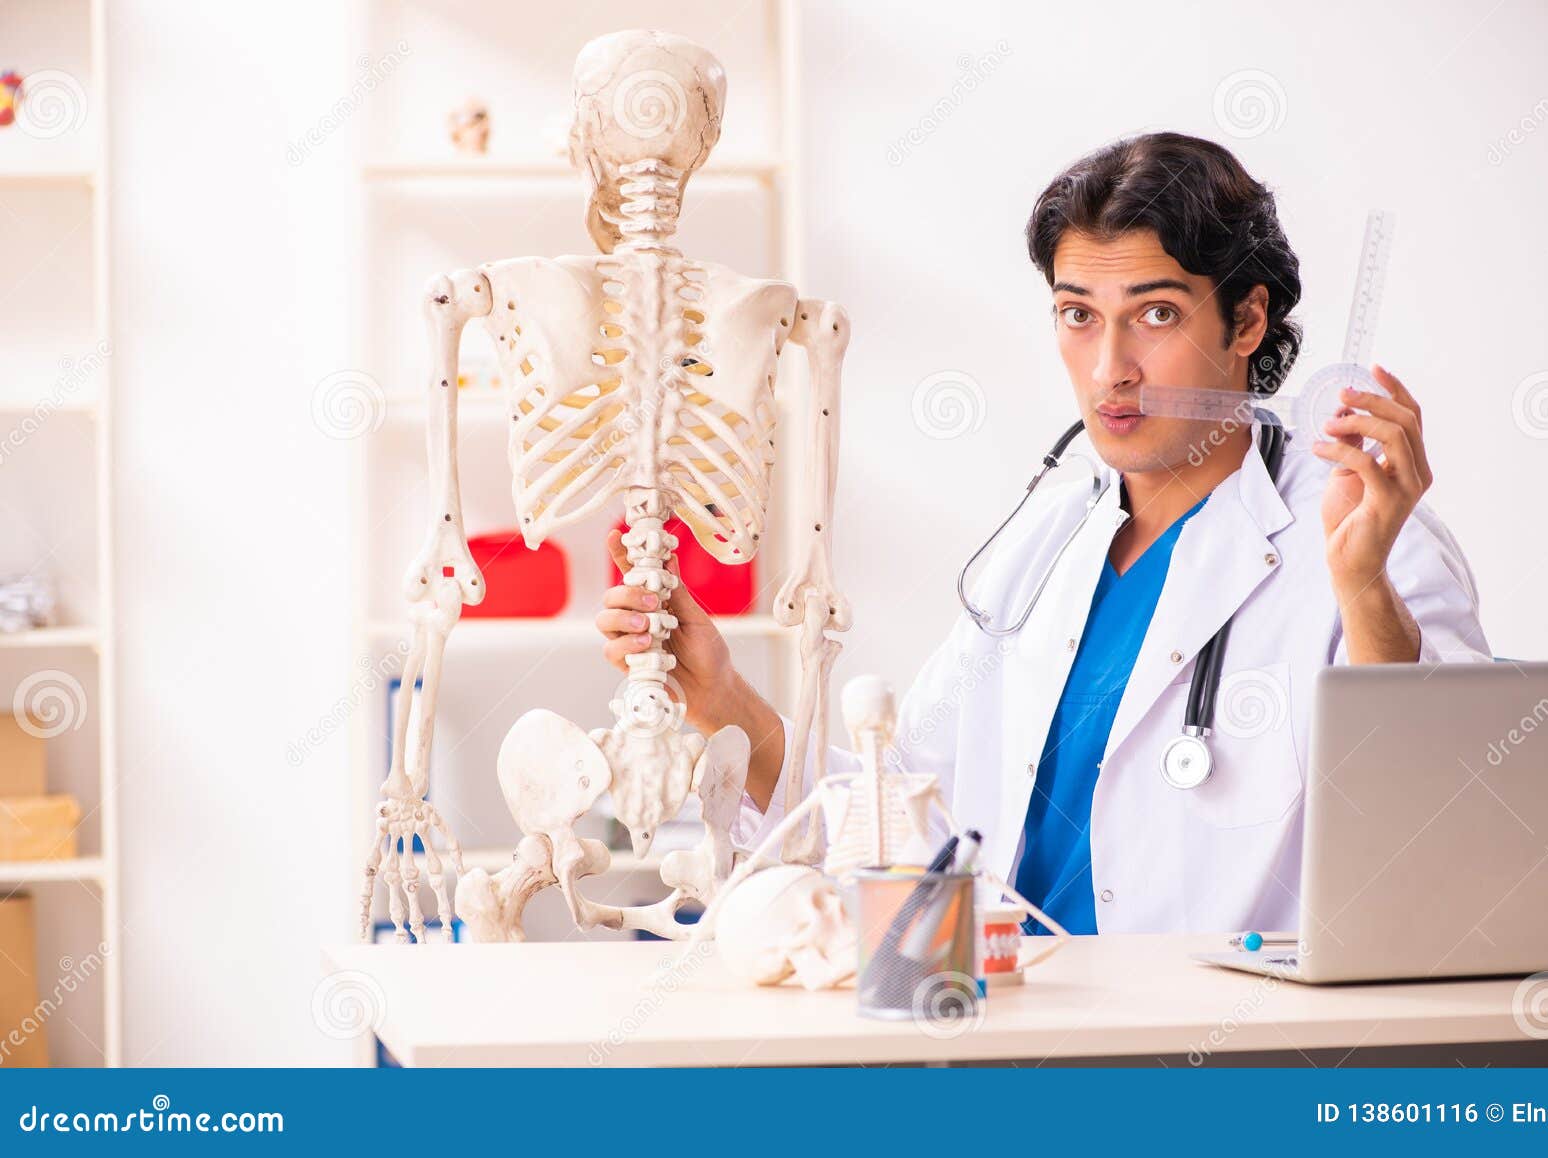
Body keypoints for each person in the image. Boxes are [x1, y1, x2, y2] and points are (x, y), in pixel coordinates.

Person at [592, 132, 1490, 935]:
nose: (1111, 370)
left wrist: (1366, 589)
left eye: (1158, 313)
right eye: (1078, 315)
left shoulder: (1370, 537)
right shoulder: (1047, 539)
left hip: (1222, 1056)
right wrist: (724, 700)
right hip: (1011, 1023)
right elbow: (902, 816)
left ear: (1247, 319)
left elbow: (1446, 837)